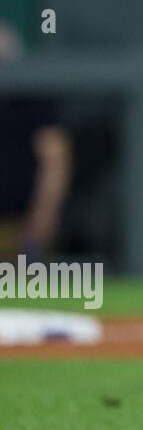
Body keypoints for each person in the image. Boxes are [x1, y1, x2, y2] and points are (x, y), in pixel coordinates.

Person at [0, 23, 73, 263]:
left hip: (17, 225)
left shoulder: (30, 98)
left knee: (24, 290)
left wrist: (45, 213)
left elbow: (55, 156)